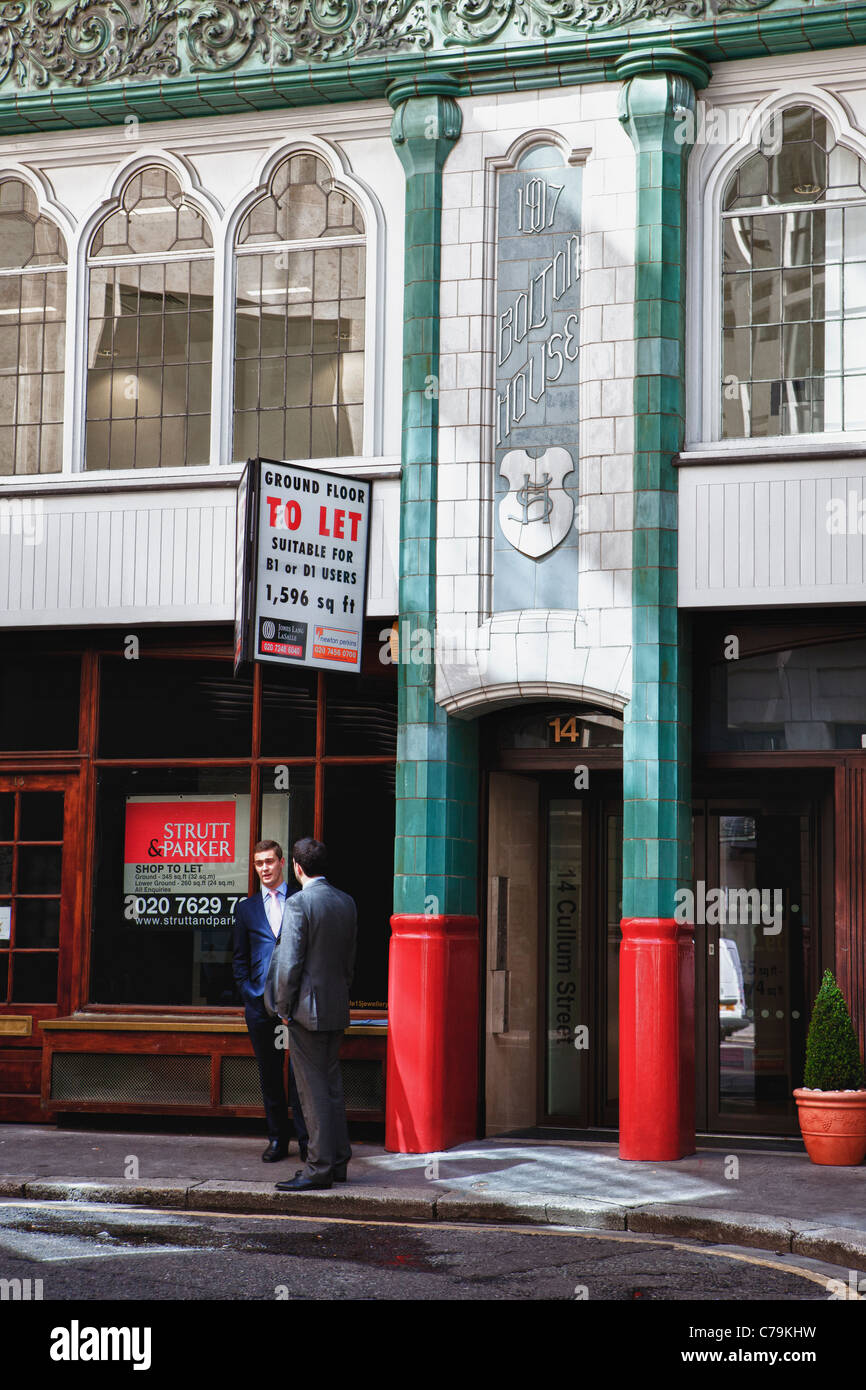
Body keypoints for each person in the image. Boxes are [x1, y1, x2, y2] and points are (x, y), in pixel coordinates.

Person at [265, 837, 356, 1192]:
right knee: (331, 1086)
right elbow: (349, 961)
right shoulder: (346, 902)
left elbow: (289, 963)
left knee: (313, 1091)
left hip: (306, 1011)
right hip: (336, 1007)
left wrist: (283, 1008)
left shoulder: (300, 903)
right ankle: (338, 1161)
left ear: (297, 868)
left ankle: (318, 1168)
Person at [232, 839, 309, 1164]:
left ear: (282, 863)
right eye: (258, 863)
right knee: (269, 1074)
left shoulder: (302, 900)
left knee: (300, 1075)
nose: (264, 868)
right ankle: (278, 1139)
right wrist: (251, 995)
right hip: (260, 1007)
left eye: (269, 861)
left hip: (297, 1005)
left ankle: (307, 1142)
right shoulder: (246, 908)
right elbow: (239, 959)